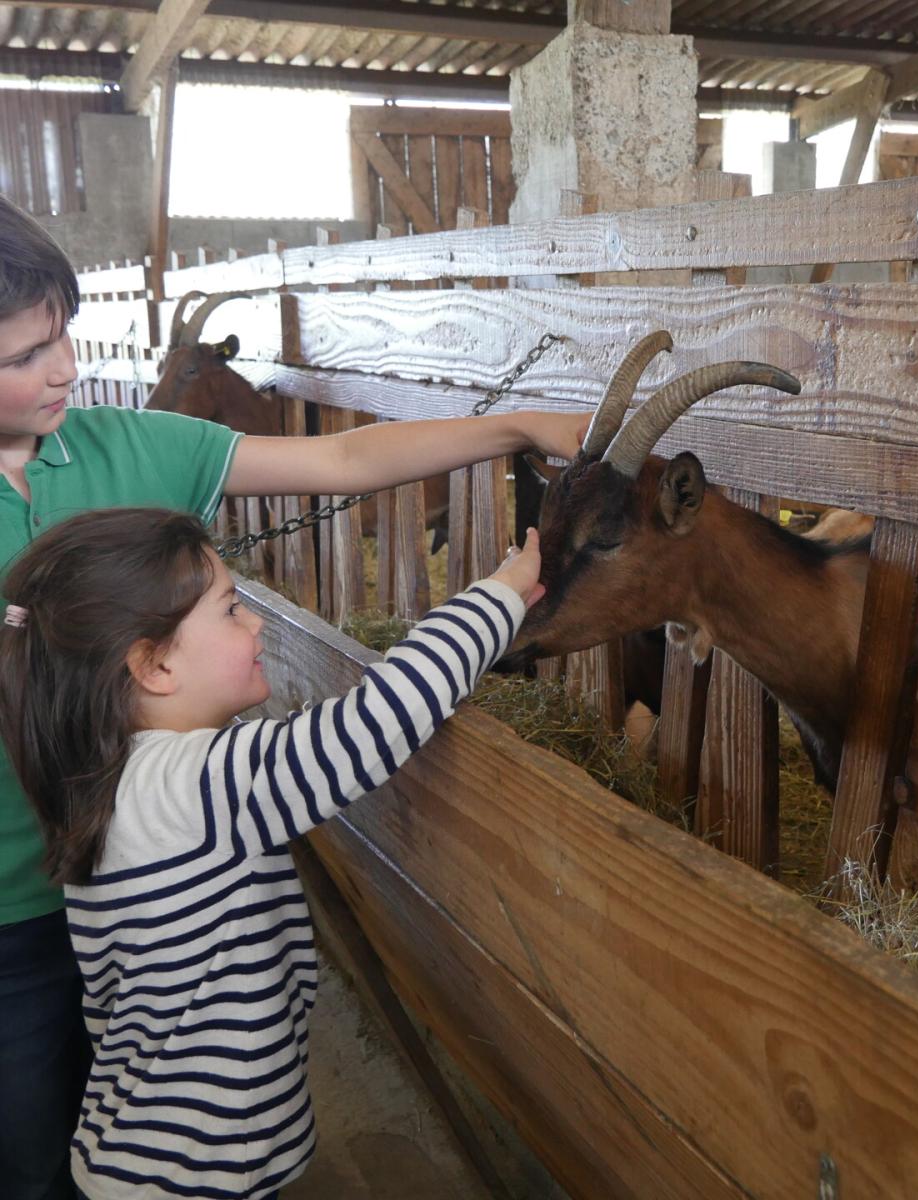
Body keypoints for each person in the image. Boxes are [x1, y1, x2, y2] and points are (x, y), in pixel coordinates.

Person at [0, 191, 585, 1199]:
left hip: (115, 881)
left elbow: (343, 459)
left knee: (114, 1096)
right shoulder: (213, 784)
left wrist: (514, 427)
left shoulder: (128, 447)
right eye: (24, 356)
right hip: (13, 912)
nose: (62, 368)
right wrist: (499, 597)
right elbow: (374, 725)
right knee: (28, 1145)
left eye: (63, 336)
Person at [0, 504, 543, 1199]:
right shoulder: (193, 787)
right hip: (192, 1178)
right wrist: (501, 594)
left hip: (143, 1155)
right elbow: (377, 719)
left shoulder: (107, 779)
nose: (256, 623)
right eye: (231, 610)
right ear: (155, 665)